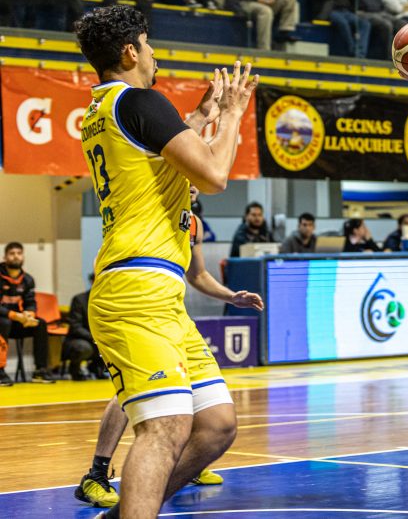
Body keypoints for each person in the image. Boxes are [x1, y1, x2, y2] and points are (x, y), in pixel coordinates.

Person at [74, 5, 257, 518]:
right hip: (136, 287)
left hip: (158, 292)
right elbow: (214, 176)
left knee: (216, 425)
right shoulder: (141, 101)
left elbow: (157, 149)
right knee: (167, 426)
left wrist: (200, 117)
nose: (154, 54)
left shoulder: (105, 109)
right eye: (148, 44)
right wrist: (233, 113)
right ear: (129, 51)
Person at [74, 193, 265, 509]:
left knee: (211, 417)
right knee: (130, 397)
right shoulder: (145, 205)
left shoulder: (193, 225)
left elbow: (198, 275)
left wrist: (231, 297)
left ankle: (188, 464)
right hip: (133, 303)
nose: (193, 187)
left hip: (172, 312)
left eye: (195, 186)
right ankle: (97, 473)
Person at [0, 242, 58, 385]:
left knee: (40, 324)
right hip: (3, 321)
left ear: (23, 256)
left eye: (19, 253)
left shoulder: (28, 279)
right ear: (5, 257)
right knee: (4, 323)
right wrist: (14, 315)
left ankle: (40, 370)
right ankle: (0, 371)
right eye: (12, 254)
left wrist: (30, 314)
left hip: (17, 322)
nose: (16, 256)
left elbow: (30, 302)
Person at [64, 278, 103, 381]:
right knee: (83, 348)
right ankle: (74, 368)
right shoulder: (79, 299)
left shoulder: (108, 300)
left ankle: (97, 367)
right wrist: (94, 337)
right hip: (79, 339)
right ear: (92, 281)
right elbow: (75, 326)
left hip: (99, 339)